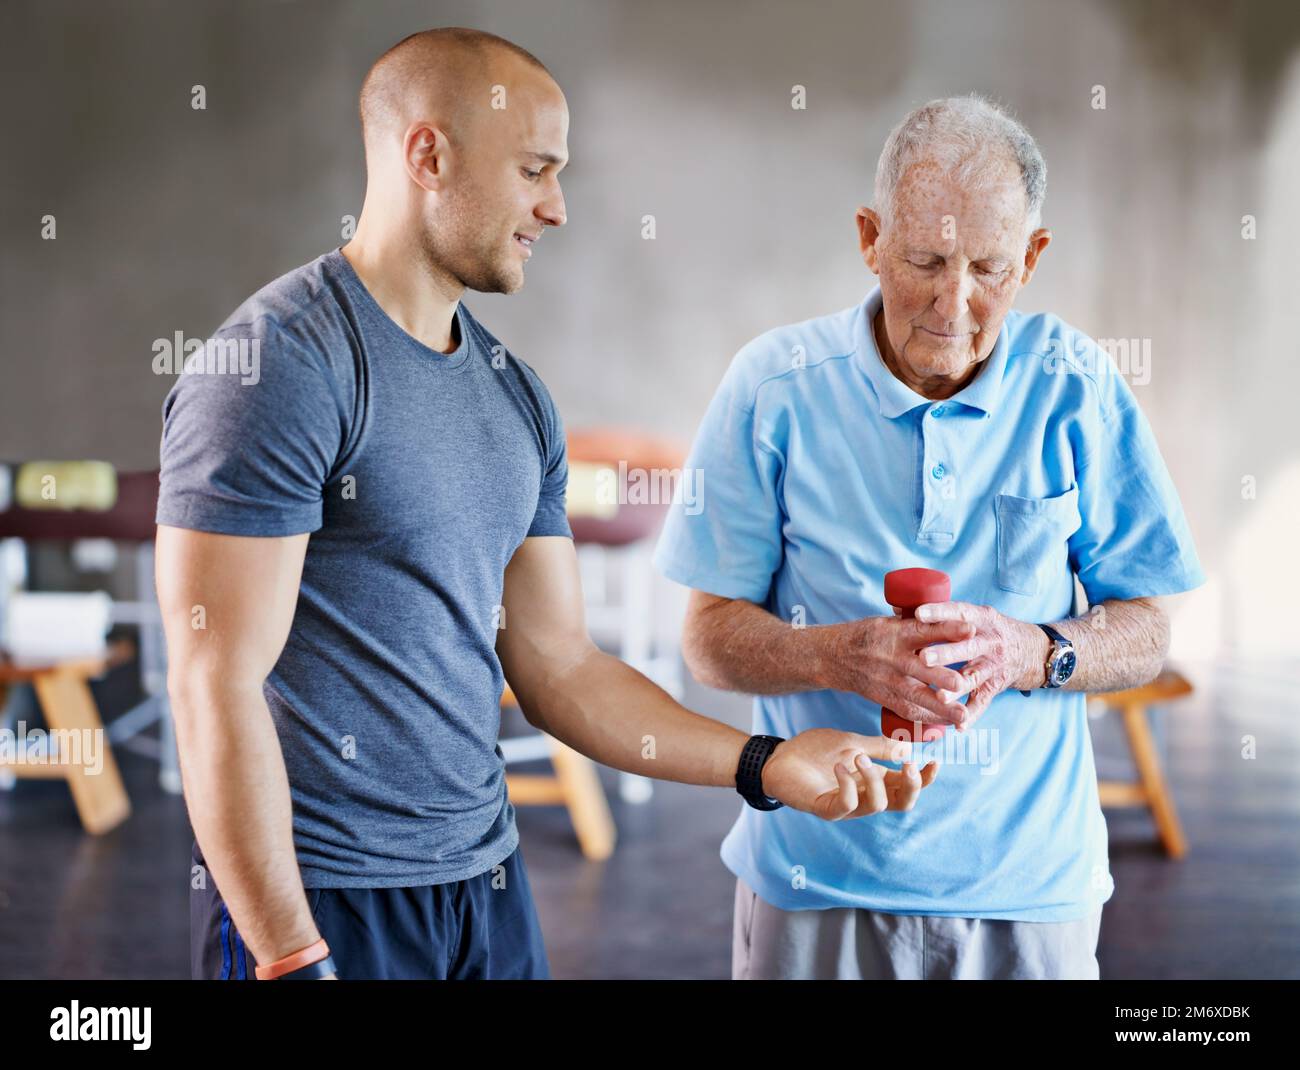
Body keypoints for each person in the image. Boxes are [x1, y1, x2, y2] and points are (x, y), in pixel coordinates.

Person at [156, 27, 944, 982]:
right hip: (323, 902)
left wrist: (769, 765)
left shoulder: (514, 395)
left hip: (483, 889)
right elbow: (215, 683)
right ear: (429, 155)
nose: (557, 207)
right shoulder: (284, 365)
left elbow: (560, 665)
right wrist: (288, 955)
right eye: (535, 169)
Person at [653, 94, 1205, 980]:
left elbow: (1146, 627)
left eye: (990, 267)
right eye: (924, 261)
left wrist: (1032, 650)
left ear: (1033, 257)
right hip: (814, 879)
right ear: (869, 238)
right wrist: (839, 656)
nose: (955, 303)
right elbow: (708, 639)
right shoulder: (773, 386)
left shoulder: (1078, 386)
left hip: (1031, 893)